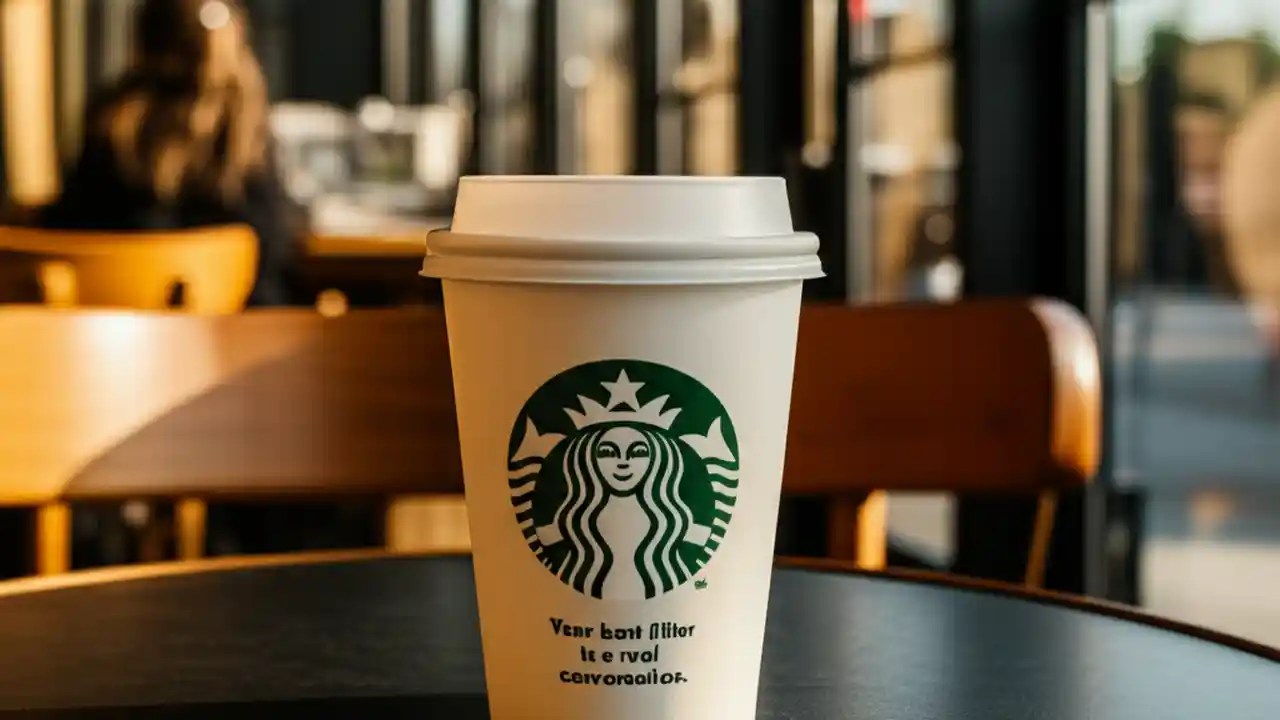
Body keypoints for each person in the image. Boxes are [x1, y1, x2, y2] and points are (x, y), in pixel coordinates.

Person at [42, 0, 301, 306]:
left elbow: (68, 229)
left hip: (111, 339)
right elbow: (274, 249)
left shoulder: (110, 126)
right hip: (238, 340)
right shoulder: (246, 135)